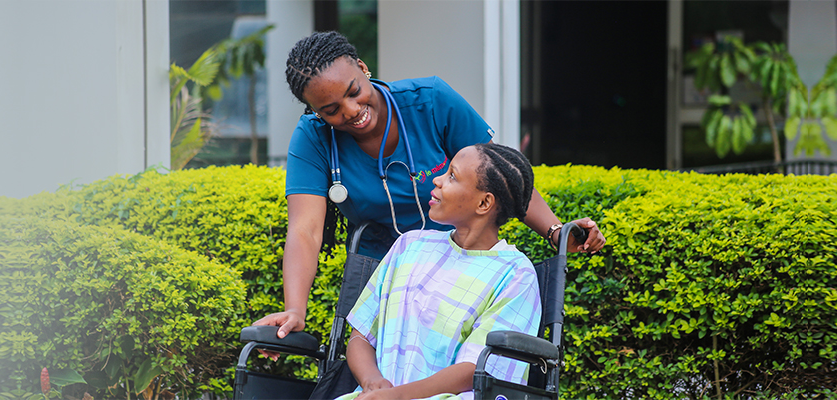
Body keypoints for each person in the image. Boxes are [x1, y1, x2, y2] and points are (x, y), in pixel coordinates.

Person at [253, 31, 604, 341]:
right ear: (315, 112)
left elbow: (500, 177)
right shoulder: (313, 139)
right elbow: (306, 230)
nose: (351, 110)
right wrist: (295, 309)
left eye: (354, 91)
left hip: (464, 269)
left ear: (362, 68)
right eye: (330, 110)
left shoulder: (431, 101)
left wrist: (557, 231)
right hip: (386, 283)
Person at [336, 143, 544, 400]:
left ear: (484, 203)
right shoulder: (409, 245)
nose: (437, 180)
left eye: (452, 176)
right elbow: (361, 336)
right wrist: (373, 383)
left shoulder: (515, 274)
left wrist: (398, 396)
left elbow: (477, 370)